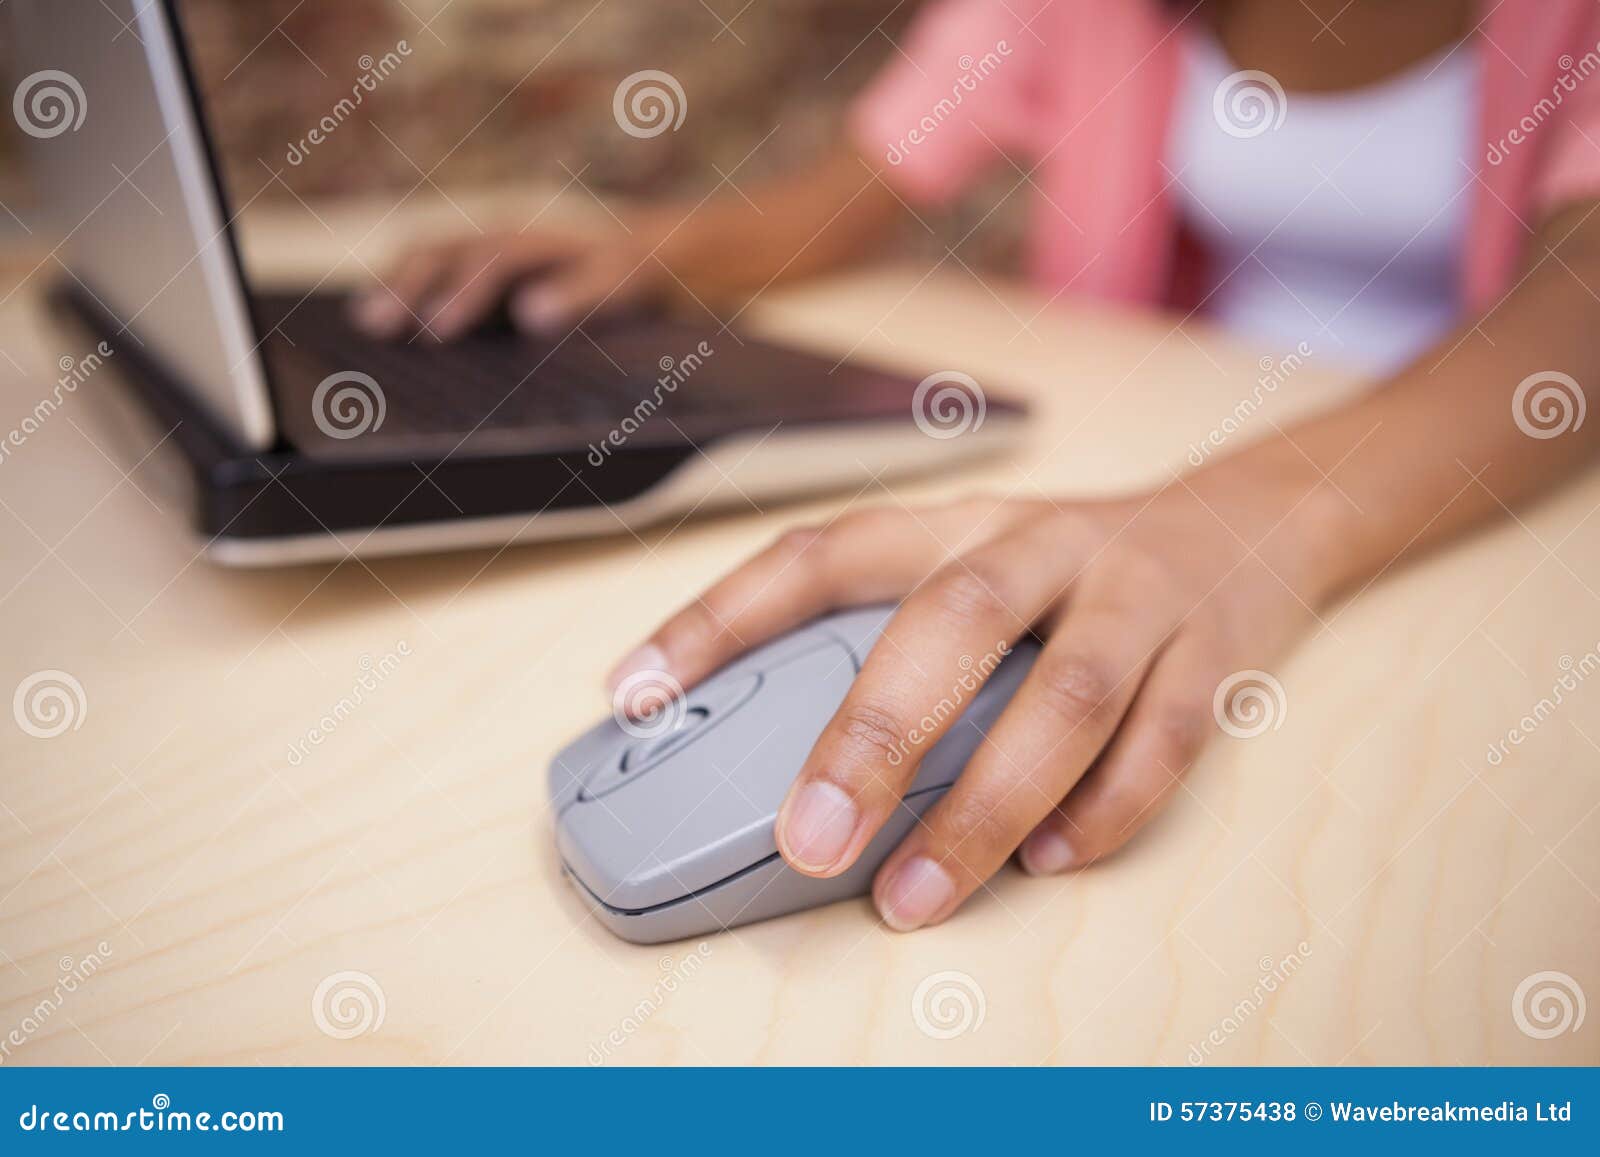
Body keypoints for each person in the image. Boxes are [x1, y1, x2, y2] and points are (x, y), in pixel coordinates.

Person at [355, 0, 1600, 932]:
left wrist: (1235, 523)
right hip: (1146, 419)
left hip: (1470, 495)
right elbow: (867, 182)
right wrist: (649, 251)